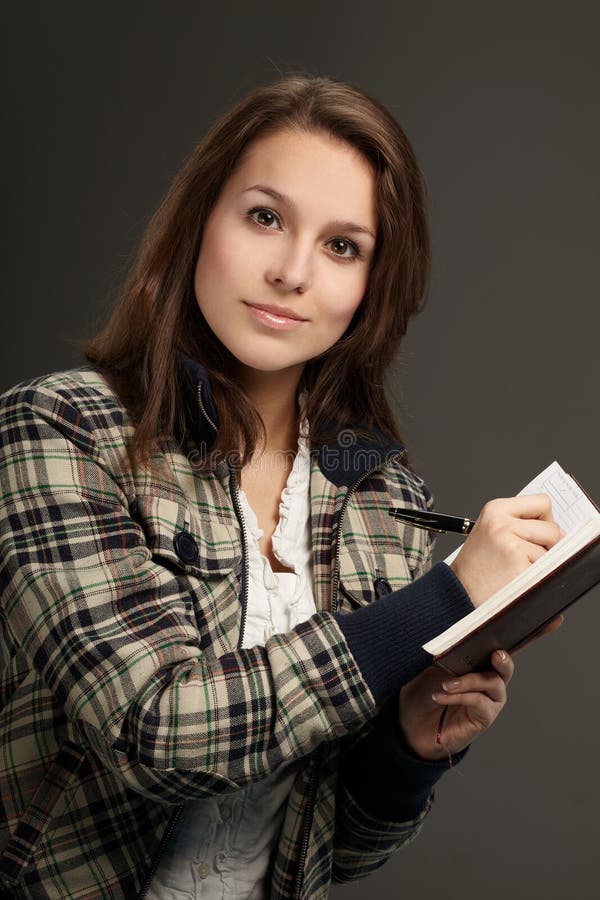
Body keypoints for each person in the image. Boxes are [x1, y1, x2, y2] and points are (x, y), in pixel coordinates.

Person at [0, 74, 562, 900]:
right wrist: (443, 602)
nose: (293, 272)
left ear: (374, 285)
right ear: (201, 222)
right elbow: (155, 736)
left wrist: (406, 754)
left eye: (343, 246)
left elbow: (324, 845)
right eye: (265, 217)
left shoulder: (384, 505)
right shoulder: (59, 430)